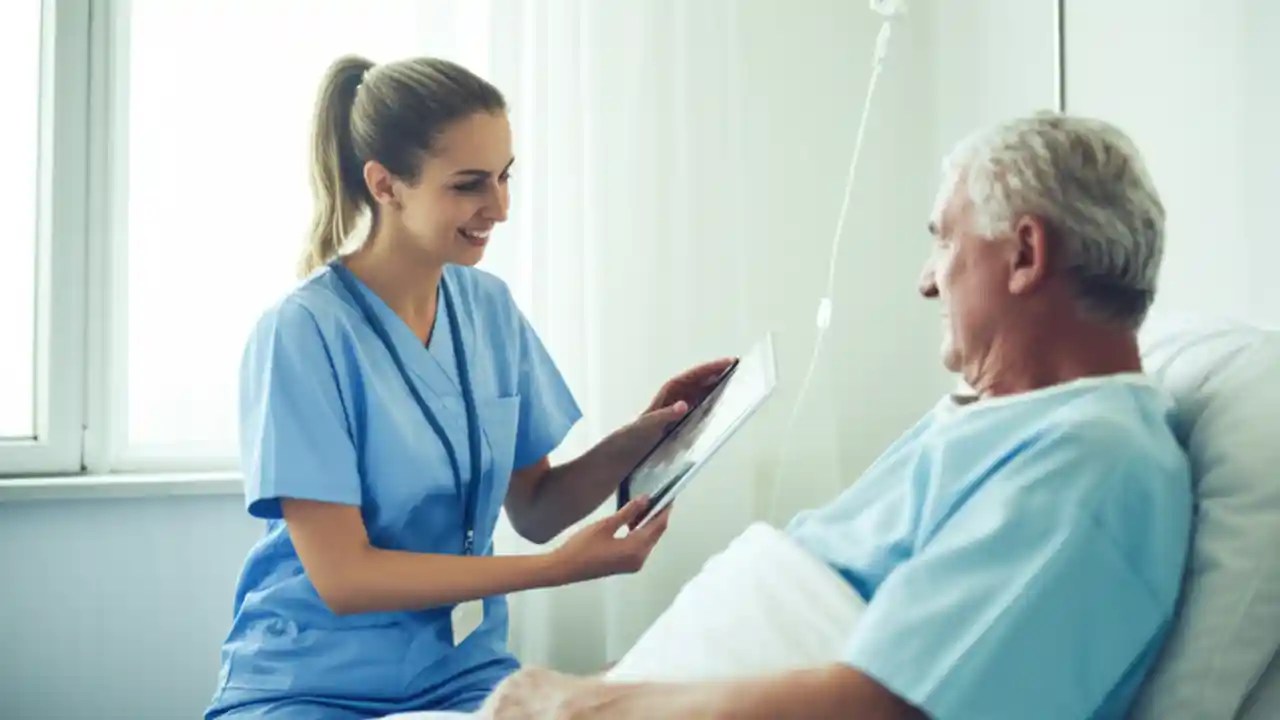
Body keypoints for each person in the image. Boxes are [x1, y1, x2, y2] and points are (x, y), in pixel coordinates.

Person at [480, 113, 1195, 719]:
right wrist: (614, 684)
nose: (926, 278)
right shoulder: (1012, 426)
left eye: (944, 238)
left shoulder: (1094, 466)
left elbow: (886, 704)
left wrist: (580, 706)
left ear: (1025, 255)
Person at [203, 55, 731, 719]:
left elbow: (534, 509)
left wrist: (642, 437)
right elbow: (344, 577)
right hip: (315, 682)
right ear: (385, 184)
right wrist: (560, 570)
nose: (500, 207)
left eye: (506, 177)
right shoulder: (303, 334)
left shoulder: (487, 309)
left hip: (463, 672)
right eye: (469, 185)